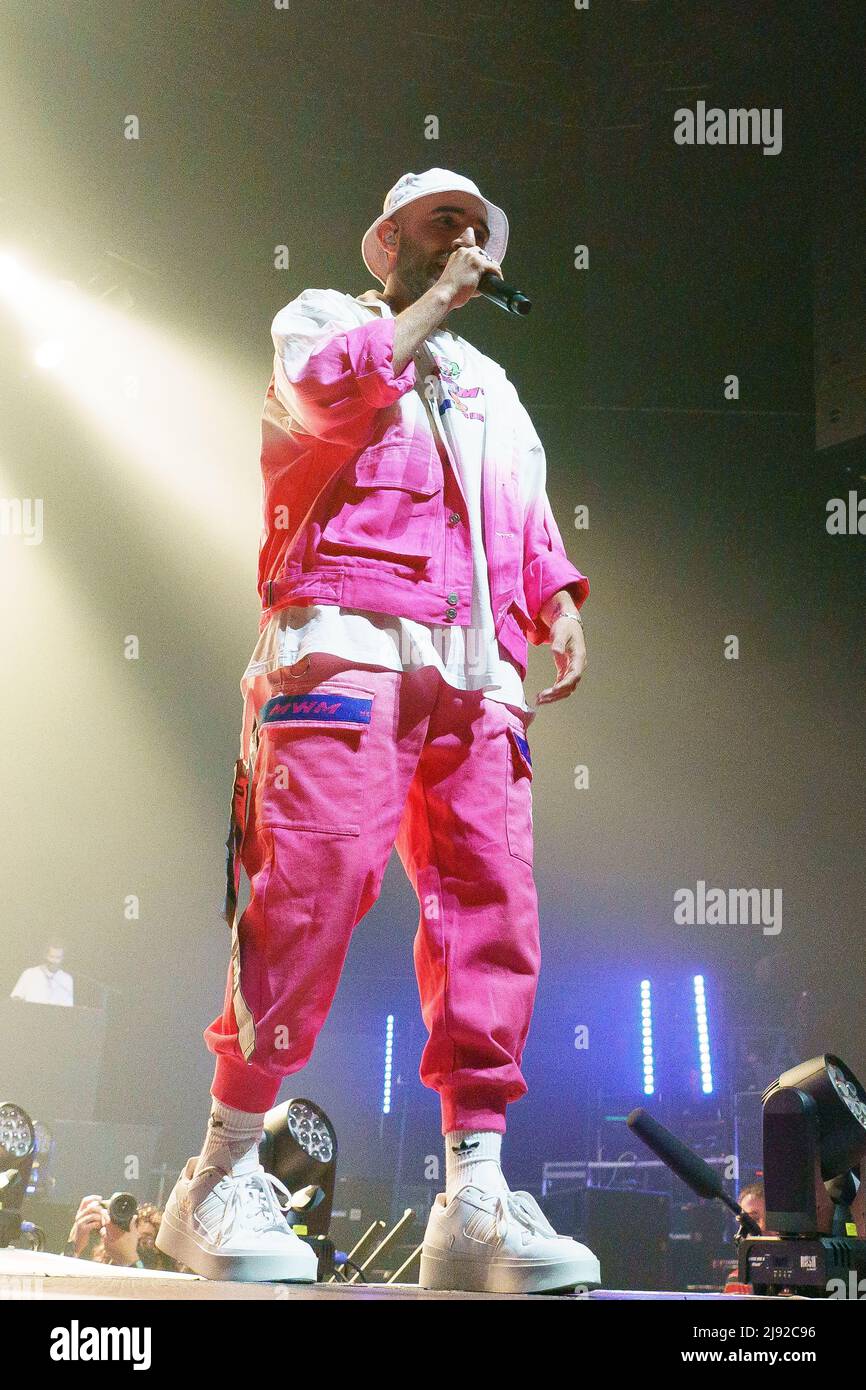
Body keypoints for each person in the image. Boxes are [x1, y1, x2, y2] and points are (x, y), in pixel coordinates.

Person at [157, 168, 598, 1294]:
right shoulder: (322, 319)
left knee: (490, 914)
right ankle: (218, 1172)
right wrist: (437, 303)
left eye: (478, 230)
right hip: (344, 643)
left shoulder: (494, 384)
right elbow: (324, 397)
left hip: (475, 671)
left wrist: (551, 602)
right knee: (305, 892)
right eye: (442, 223)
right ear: (386, 241)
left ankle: (474, 1199)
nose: (466, 242)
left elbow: (524, 511)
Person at [10, 940, 73, 1006]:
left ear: (63, 958)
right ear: (45, 956)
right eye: (51, 956)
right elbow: (15, 998)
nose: (54, 961)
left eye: (58, 958)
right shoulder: (29, 973)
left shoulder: (67, 979)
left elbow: (68, 1008)